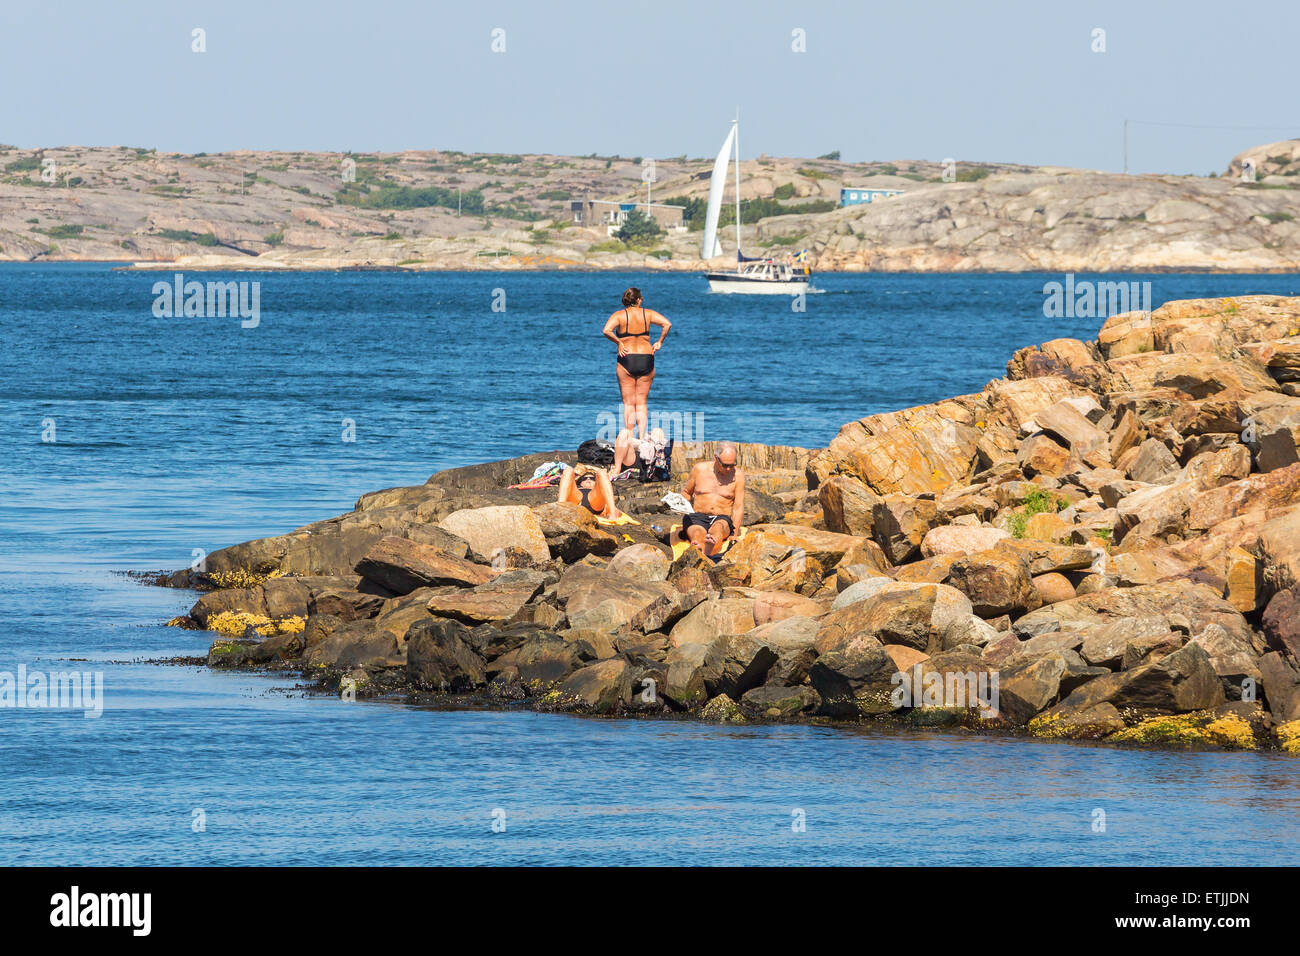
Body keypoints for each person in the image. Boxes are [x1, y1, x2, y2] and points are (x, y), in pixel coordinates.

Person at [602, 287, 670, 443]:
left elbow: (606, 330)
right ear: (639, 300)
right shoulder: (648, 314)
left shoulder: (619, 315)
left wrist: (619, 342)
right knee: (641, 402)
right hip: (646, 357)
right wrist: (659, 342)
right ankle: (641, 438)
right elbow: (667, 324)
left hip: (627, 357)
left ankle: (629, 437)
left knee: (628, 403)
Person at [681, 443, 745, 559]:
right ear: (716, 458)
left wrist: (733, 534)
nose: (729, 469)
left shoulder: (738, 476)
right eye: (725, 465)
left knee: (718, 528)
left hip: (721, 518)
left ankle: (710, 545)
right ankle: (698, 545)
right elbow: (686, 493)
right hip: (697, 516)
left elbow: (738, 507)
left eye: (732, 465)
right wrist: (681, 506)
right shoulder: (699, 469)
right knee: (697, 532)